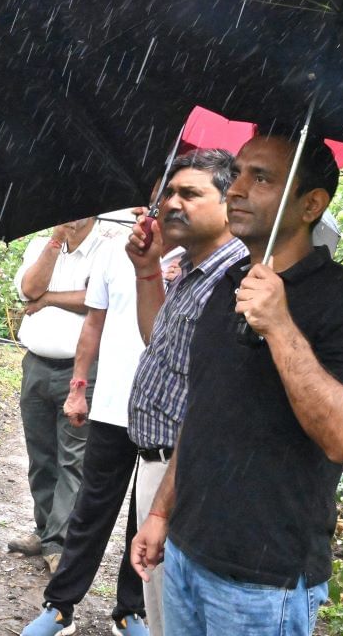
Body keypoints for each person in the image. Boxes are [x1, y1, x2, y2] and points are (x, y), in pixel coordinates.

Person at [129, 132, 343, 635]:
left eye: (262, 178)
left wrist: (279, 324)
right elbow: (202, 412)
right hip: (186, 552)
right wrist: (161, 512)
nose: (236, 189)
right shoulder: (224, 285)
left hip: (264, 580)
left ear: (311, 204)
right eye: (238, 173)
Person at [122, 148, 246, 636]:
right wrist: (146, 270)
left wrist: (163, 503)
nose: (172, 203)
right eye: (170, 193)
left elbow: (219, 397)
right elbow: (158, 339)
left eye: (191, 193)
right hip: (157, 462)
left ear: (229, 204)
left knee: (179, 621)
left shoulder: (234, 280)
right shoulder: (194, 269)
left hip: (187, 473)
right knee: (163, 618)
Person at [22, 211, 160, 636]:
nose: (153, 209)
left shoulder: (200, 261)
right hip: (113, 402)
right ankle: (60, 606)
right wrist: (79, 386)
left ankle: (131, 610)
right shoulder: (116, 253)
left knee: (147, 512)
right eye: (154, 198)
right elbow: (94, 321)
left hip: (166, 409)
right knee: (92, 507)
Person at [7, 218, 105, 570]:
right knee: (41, 453)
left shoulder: (107, 248)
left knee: (73, 458)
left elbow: (96, 300)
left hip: (80, 370)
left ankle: (60, 542)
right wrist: (55, 240)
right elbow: (29, 288)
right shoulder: (41, 244)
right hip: (36, 364)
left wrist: (48, 298)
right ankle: (45, 528)